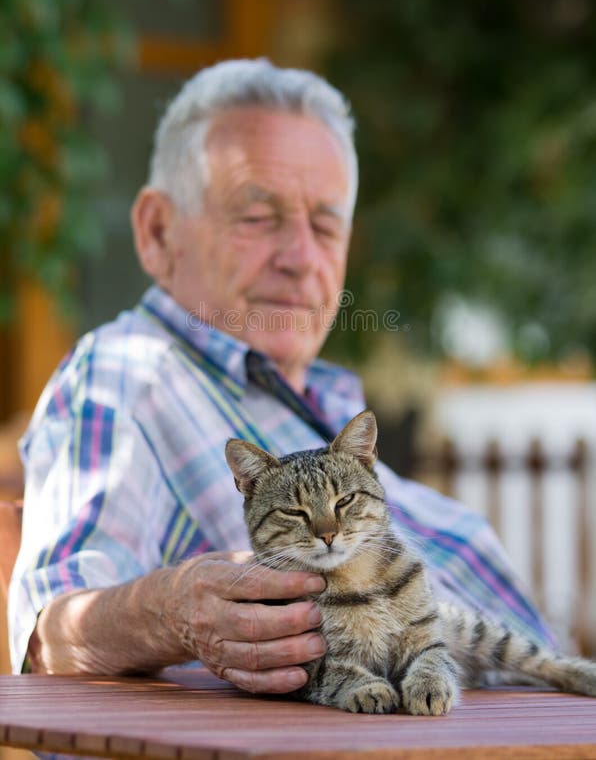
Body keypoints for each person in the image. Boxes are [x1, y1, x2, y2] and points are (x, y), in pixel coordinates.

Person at [9, 59, 555, 692]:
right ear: (158, 233)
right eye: (257, 217)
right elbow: (51, 641)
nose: (301, 258)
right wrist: (169, 611)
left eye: (325, 225)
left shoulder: (330, 411)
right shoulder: (127, 375)